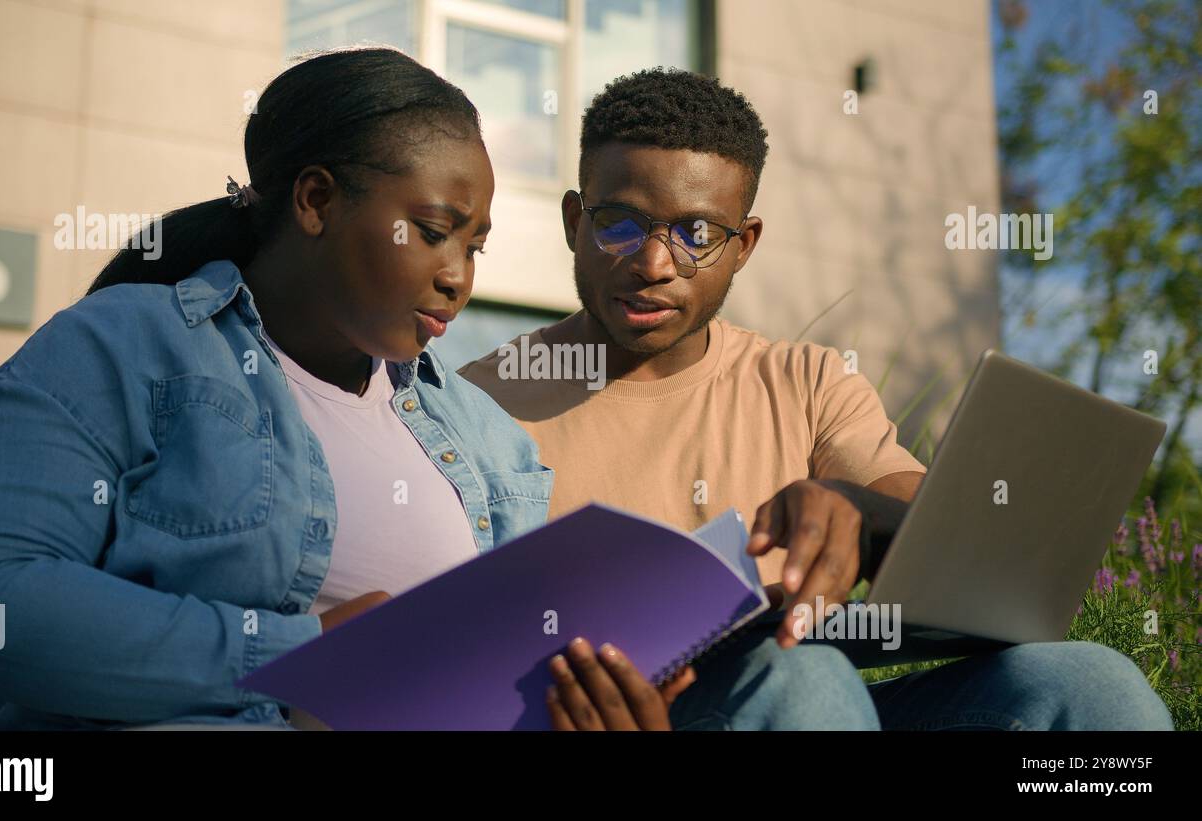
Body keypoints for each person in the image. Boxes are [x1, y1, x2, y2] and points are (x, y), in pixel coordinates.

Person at [460, 68, 1175, 731]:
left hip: (824, 702)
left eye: (697, 234)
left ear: (745, 246)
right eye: (618, 222)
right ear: (573, 222)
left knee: (1091, 681)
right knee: (803, 676)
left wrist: (860, 512)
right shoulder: (474, 406)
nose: (654, 265)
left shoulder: (807, 381)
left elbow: (942, 541)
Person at [0, 47, 589, 729]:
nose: (458, 277)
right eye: (433, 232)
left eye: (473, 247)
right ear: (316, 200)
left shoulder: (485, 436)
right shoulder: (119, 346)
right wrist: (299, 655)